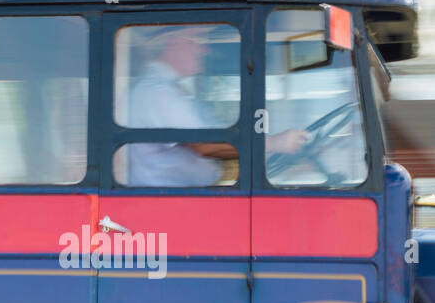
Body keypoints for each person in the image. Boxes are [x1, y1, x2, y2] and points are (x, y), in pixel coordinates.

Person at [123, 26, 308, 187]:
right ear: (173, 42)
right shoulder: (157, 93)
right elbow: (204, 145)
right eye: (197, 40)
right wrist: (274, 143)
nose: (205, 50)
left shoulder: (165, 89)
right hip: (168, 205)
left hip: (180, 199)